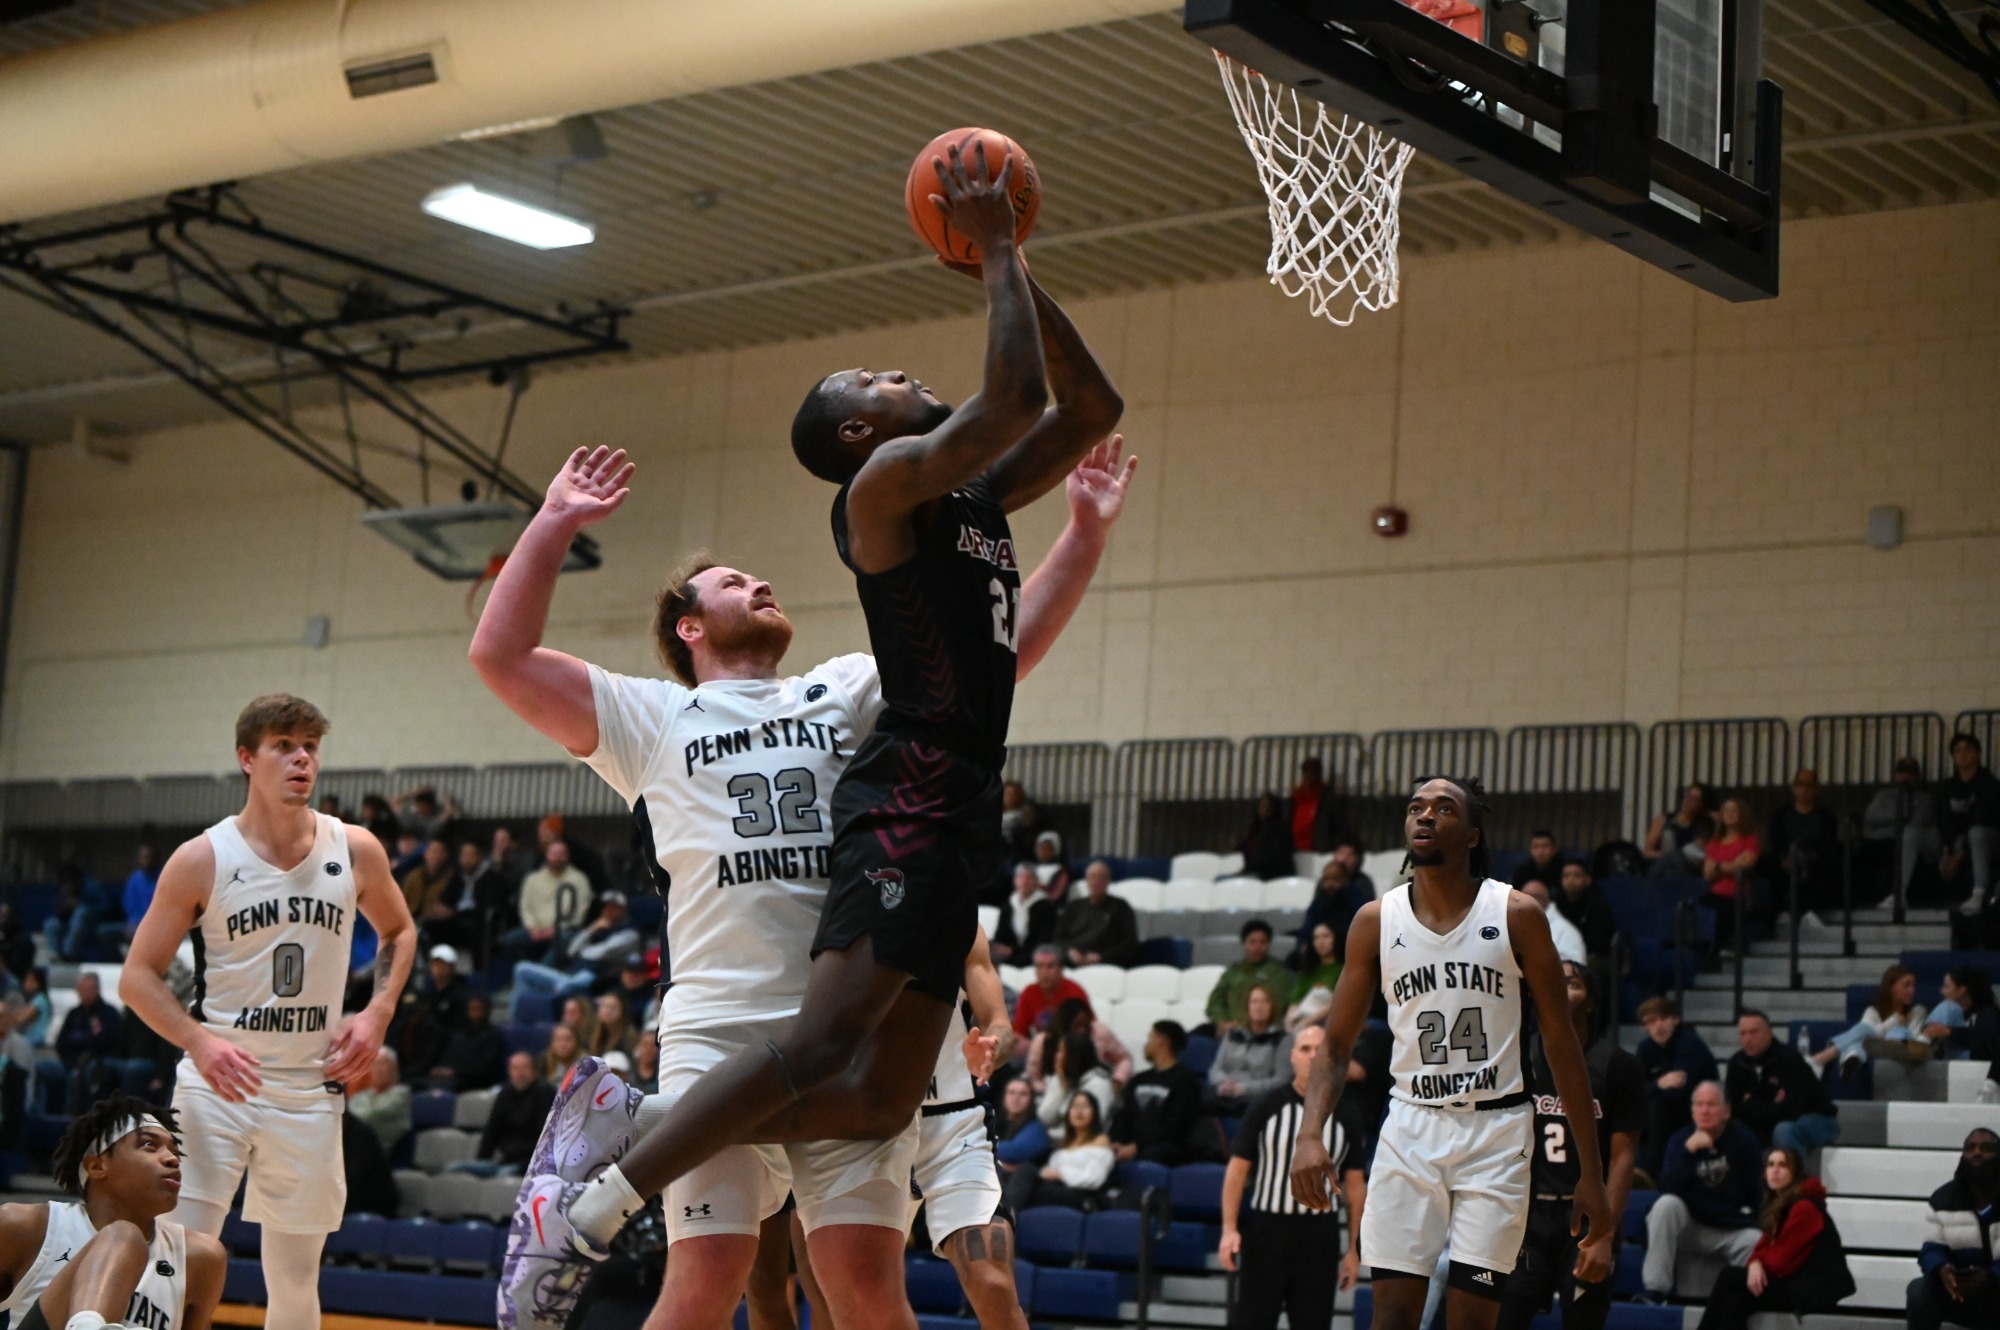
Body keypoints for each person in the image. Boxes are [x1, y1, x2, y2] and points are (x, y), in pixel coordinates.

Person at [472, 380, 1127, 1327]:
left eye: (759, 578)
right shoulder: (650, 716)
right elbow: (500, 655)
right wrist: (554, 521)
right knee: (706, 1283)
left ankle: (626, 1139)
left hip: (845, 1024)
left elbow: (997, 660)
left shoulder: (844, 687)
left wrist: (1085, 537)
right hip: (722, 1027)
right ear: (689, 626)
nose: (758, 584)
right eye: (731, 583)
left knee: (864, 1285)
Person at [117, 696, 418, 1330]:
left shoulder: (354, 848)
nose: (302, 757)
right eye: (284, 744)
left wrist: (377, 1012)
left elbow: (398, 930)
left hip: (309, 1088)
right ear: (247, 758)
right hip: (217, 1085)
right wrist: (198, 1042)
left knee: (296, 1279)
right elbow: (137, 977)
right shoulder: (203, 858)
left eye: (311, 745)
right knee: (177, 1261)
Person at [1289, 776, 1610, 1330]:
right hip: (1410, 1128)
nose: (1425, 816)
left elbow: (1562, 1045)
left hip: (1496, 1135)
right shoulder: (1375, 921)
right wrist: (1309, 1132)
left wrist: (1591, 1172)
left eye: (1443, 808)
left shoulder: (1516, 914)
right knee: (1391, 1317)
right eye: (1416, 807)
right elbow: (1336, 1045)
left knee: (1472, 1321)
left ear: (1472, 835)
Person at [1496, 962, 1645, 1330]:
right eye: (1553, 979)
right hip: (1526, 1214)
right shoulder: (1516, 1055)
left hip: (1586, 1219)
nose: (1561, 986)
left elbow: (1623, 1156)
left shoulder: (1618, 1065)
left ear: (1591, 1002)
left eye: (1573, 982)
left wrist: (1605, 1234)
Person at [0, 1097, 226, 1330]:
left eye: (174, 1151)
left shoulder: (200, 1258)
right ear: (97, 1166)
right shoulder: (28, 1226)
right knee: (124, 1235)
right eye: (149, 1145)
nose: (172, 1159)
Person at [910, 930, 1028, 1330]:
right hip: (867, 1123)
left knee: (991, 1281)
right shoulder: (838, 904)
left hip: (952, 1123)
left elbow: (1001, 1025)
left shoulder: (959, 919)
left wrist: (993, 1048)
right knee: (841, 1300)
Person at [1220, 1023, 1365, 1330]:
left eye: (1319, 1049)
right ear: (1292, 1057)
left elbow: (1355, 1186)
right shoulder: (1266, 1105)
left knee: (1313, 1323)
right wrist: (1229, 1229)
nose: (1312, 1056)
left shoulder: (1347, 1114)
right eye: (1305, 1049)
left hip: (1319, 1236)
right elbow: (1237, 1169)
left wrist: (1354, 1249)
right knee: (1253, 1322)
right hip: (1266, 1231)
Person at [1695, 1145, 1853, 1328]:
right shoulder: (1779, 1205)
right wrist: (1755, 1262)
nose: (1775, 1170)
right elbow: (1762, 1247)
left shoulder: (1805, 1207)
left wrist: (1757, 1263)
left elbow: (1780, 1262)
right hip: (1794, 1283)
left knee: (1730, 1276)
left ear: (1795, 1173)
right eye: (1770, 1165)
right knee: (1734, 1303)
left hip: (1812, 1290)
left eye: (1782, 1165)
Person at [1642, 1081, 1762, 1299]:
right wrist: (1688, 1152)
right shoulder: (1680, 1140)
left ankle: (1736, 1302)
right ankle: (1655, 1291)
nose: (1704, 1110)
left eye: (1711, 1104)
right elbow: (1667, 1186)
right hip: (1690, 1226)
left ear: (1726, 1111)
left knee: (1754, 1239)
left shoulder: (1744, 1141)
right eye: (1699, 1104)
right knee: (1666, 1205)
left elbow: (1756, 1193)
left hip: (1728, 1227)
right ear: (1692, 1110)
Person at [1907, 1127, 2000, 1330]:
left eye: (1986, 1148)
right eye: (1970, 1148)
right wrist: (1943, 1270)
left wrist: (1991, 1277)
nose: (1977, 1153)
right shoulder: (1943, 1199)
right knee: (1919, 1290)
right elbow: (1931, 1249)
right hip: (1962, 1294)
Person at [1726, 1010, 1839, 1159]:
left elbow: (1791, 1111)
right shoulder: (1737, 1063)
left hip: (1818, 1120)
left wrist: (1751, 1102)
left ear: (1769, 1033)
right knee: (1731, 1129)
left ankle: (1792, 1174)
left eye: (1753, 1032)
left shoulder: (1789, 1060)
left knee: (1784, 1129)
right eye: (1743, 1034)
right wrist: (1770, 1106)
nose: (1747, 1039)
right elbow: (1735, 1110)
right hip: (1769, 1123)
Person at [1634, 996, 1719, 1179]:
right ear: (1644, 1027)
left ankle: (1651, 1174)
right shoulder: (1645, 1048)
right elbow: (1634, 1090)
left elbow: (1682, 1088)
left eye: (1663, 1019)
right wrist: (1658, 1083)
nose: (1658, 1026)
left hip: (1695, 1107)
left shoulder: (1689, 1042)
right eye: (1651, 1021)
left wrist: (1651, 1088)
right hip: (1662, 1109)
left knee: (1657, 1106)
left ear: (1675, 1020)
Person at [1112, 1021, 1207, 1166]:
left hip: (1164, 1147)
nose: (1146, 1044)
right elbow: (1124, 1114)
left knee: (1151, 1155)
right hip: (1132, 1144)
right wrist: (1115, 1142)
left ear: (1162, 1041)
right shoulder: (1139, 1079)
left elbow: (1175, 1126)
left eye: (1150, 1038)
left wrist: (1137, 1146)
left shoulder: (1186, 1081)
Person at [1812, 963, 1928, 1078]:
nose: (1912, 990)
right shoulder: (1873, 1011)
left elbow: (1915, 1041)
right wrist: (1894, 1020)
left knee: (1864, 1034)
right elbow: (1869, 1035)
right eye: (1906, 985)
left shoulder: (1917, 1011)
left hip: (1898, 1051)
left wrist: (1895, 1025)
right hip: (1873, 1050)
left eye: (1913, 986)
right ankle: (1850, 1061)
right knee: (1862, 1031)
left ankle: (1824, 1057)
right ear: (1891, 988)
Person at [1013, 1091, 1116, 1211]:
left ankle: (1007, 1216)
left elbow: (1094, 1179)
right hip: (1057, 1189)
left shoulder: (1101, 1142)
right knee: (1019, 1181)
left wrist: (1060, 1174)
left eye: (1085, 1106)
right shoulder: (1064, 1145)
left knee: (1027, 1175)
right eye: (1075, 1106)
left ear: (1095, 1112)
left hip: (1082, 1195)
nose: (1079, 1111)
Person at [1764, 769, 1840, 923]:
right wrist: (1783, 859)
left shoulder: (1826, 817)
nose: (1804, 790)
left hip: (1815, 863)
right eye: (1800, 785)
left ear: (1816, 789)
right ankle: (1779, 915)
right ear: (1793, 788)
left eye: (1809, 785)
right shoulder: (1781, 815)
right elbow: (1775, 842)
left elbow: (1829, 845)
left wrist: (1809, 857)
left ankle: (1809, 912)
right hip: (1786, 862)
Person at [1938, 733, 2000, 916]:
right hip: (1956, 840)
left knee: (1976, 833)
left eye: (1968, 749)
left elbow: (1983, 819)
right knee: (1918, 837)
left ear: (1977, 754)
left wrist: (1959, 855)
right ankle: (1900, 895)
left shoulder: (1989, 784)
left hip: (1988, 838)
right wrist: (1946, 848)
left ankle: (1979, 892)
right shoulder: (1948, 786)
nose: (1962, 754)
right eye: (1958, 750)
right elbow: (1943, 819)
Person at [504, 839, 593, 967]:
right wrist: (533, 927)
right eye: (554, 854)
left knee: (565, 939)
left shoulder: (579, 879)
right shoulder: (532, 879)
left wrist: (556, 929)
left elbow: (580, 912)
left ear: (567, 857)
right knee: (509, 940)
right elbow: (525, 907)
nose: (557, 858)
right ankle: (528, 968)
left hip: (564, 929)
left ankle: (540, 972)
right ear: (546, 855)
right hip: (535, 929)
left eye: (561, 854)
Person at [1863, 757, 1937, 906]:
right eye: (1902, 773)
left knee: (1908, 837)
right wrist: (1901, 816)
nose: (1906, 777)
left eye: (1911, 774)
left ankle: (1899, 895)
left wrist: (1888, 821)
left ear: (1917, 778)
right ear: (1895, 775)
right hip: (1882, 842)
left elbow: (1916, 824)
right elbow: (1870, 818)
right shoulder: (1883, 795)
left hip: (1909, 842)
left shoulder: (1924, 798)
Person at [470, 1052, 557, 1178]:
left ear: (535, 1071)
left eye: (525, 1068)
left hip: (529, 1163)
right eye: (515, 1068)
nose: (520, 1073)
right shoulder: (505, 1094)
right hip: (505, 1161)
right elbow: (492, 1130)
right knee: (457, 1170)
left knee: (502, 1177)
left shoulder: (545, 1092)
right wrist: (481, 1161)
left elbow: (546, 1137)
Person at [1209, 984, 1290, 1115]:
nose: (1259, 1007)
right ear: (1247, 1006)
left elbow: (1281, 1080)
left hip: (1258, 1099)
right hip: (1226, 1093)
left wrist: (1244, 1088)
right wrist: (1223, 1083)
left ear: (1272, 1007)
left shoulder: (1282, 1039)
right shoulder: (1233, 1034)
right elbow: (1216, 1068)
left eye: (1265, 1002)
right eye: (1254, 1002)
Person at [1205, 920, 1292, 1034]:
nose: (1257, 947)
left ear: (1269, 944)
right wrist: (1222, 1021)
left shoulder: (1279, 973)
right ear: (1244, 943)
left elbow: (1279, 1007)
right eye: (1252, 942)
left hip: (1265, 1032)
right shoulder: (1233, 972)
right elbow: (1215, 1003)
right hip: (1230, 1030)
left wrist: (1245, 1024)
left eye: (1263, 942)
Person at [1294, 842, 1374, 965]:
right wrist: (1303, 945)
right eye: (1326, 880)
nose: (1330, 884)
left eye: (1335, 879)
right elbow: (1308, 926)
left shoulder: (1356, 899)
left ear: (1345, 880)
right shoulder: (1320, 900)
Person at [1055, 860, 1139, 967]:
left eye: (1101, 877)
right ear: (1086, 881)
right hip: (1073, 963)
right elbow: (1058, 938)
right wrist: (1070, 951)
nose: (1096, 881)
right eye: (1092, 877)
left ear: (1108, 880)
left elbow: (1129, 943)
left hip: (1107, 964)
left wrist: (1101, 957)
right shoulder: (1074, 906)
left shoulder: (1120, 907)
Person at [1703, 798, 1761, 951]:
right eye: (1726, 811)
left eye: (1734, 810)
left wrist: (1718, 866)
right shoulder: (1714, 844)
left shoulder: (1749, 840)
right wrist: (1731, 865)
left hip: (1737, 895)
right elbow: (1707, 873)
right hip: (1715, 895)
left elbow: (1744, 865)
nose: (1729, 814)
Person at [428, 993, 508, 1092]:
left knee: (442, 1089)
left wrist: (454, 1071)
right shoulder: (460, 1032)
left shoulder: (493, 1035)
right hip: (453, 1077)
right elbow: (449, 1055)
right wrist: (441, 1069)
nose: (474, 1014)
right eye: (471, 1009)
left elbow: (485, 1068)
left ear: (486, 1011)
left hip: (476, 1081)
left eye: (478, 1009)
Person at [1037, 1030, 1116, 1128]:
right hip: (1055, 1135)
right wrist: (1063, 1088)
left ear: (1073, 1056)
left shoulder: (1099, 1083)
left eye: (1061, 1051)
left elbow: (1092, 1124)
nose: (1057, 1056)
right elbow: (1045, 1118)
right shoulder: (1060, 1079)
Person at [1012, 946, 1091, 1039]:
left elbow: (1086, 1029)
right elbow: (1019, 1031)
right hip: (1038, 1043)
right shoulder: (1029, 992)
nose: (1044, 972)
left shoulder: (1074, 992)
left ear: (1061, 968)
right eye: (1039, 966)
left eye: (1050, 966)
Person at [346, 1048, 412, 1156]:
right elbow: (348, 1118)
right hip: (357, 1148)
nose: (379, 1070)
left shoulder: (401, 1094)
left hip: (385, 1152)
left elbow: (370, 1116)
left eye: (383, 1064)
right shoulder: (361, 1096)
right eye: (375, 1065)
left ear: (394, 1068)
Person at [992, 864, 1058, 964]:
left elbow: (1044, 940)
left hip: (1033, 953)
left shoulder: (1046, 906)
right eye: (1021, 877)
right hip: (1007, 952)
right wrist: (1000, 947)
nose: (1024, 881)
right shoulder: (1008, 905)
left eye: (1029, 878)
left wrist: (1013, 950)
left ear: (1036, 882)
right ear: (1015, 880)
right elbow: (1000, 934)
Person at [1646, 783, 1715, 879]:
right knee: (1672, 861)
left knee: (1678, 860)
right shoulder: (1664, 820)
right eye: (1687, 795)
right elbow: (1647, 852)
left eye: (1694, 799)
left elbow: (1700, 854)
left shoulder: (1703, 825)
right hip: (1664, 865)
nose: (1688, 800)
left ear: (1702, 806)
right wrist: (1667, 856)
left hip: (1689, 869)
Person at [1553, 862, 1615, 962]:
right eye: (1566, 876)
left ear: (1587, 880)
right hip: (1561, 954)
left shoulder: (1597, 905)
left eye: (1577, 875)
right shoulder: (1556, 903)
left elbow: (1598, 944)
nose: (1571, 880)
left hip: (1591, 957)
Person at [1286, 923, 1342, 1032]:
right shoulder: (1307, 971)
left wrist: (1307, 1022)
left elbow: (1336, 1003)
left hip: (1328, 1022)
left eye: (1325, 936)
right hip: (1301, 1020)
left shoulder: (1343, 969)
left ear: (1335, 938)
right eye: (1316, 938)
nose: (1321, 942)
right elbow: (1295, 1001)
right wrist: (1290, 1020)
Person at [1518, 881, 1587, 967]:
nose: (1529, 902)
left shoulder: (1567, 931)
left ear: (1545, 900)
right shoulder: (1513, 923)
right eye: (1525, 897)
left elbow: (1576, 968)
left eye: (1535, 897)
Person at [1288, 758, 1344, 855]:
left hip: (1317, 850)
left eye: (1312, 773)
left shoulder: (1327, 798)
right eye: (1306, 773)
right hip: (1295, 849)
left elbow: (1339, 823)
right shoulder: (1296, 796)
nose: (1309, 777)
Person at [1240, 794, 1296, 881]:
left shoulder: (1280, 829)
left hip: (1273, 874)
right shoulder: (1257, 827)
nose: (1264, 809)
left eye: (1268, 806)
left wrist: (1247, 868)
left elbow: (1270, 857)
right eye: (1262, 806)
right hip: (1257, 871)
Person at [121, 845, 160, 943]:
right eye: (143, 857)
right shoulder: (134, 880)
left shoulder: (163, 877)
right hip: (138, 922)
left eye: (149, 856)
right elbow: (129, 906)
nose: (146, 860)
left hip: (159, 921)